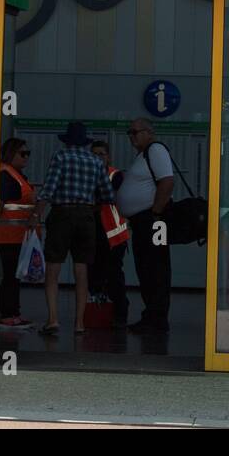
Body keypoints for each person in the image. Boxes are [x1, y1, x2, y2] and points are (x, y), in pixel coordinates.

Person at [33, 121, 114, 337]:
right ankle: (79, 323)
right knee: (82, 269)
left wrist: (35, 215)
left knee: (53, 268)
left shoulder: (61, 157)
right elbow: (108, 195)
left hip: (62, 214)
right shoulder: (96, 162)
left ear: (67, 141)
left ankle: (53, 319)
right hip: (87, 217)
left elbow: (48, 190)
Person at [118, 120, 175, 333]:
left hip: (152, 220)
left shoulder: (156, 150)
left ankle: (157, 318)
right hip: (144, 221)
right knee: (146, 268)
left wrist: (155, 213)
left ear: (149, 133)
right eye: (129, 132)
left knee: (155, 268)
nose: (131, 136)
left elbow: (167, 182)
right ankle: (151, 315)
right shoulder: (143, 155)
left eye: (135, 132)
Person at [89, 139, 129, 326]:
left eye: (101, 154)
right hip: (92, 234)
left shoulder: (115, 175)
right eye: (94, 154)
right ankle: (97, 313)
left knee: (114, 275)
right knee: (93, 275)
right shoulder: (85, 175)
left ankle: (120, 314)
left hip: (114, 236)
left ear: (108, 157)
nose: (98, 158)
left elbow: (108, 196)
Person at [0, 137, 36, 328]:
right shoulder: (6, 175)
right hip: (7, 236)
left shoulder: (15, 175)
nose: (26, 157)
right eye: (23, 153)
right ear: (11, 153)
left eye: (28, 153)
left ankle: (13, 312)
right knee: (10, 275)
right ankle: (7, 314)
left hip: (16, 235)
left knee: (14, 275)